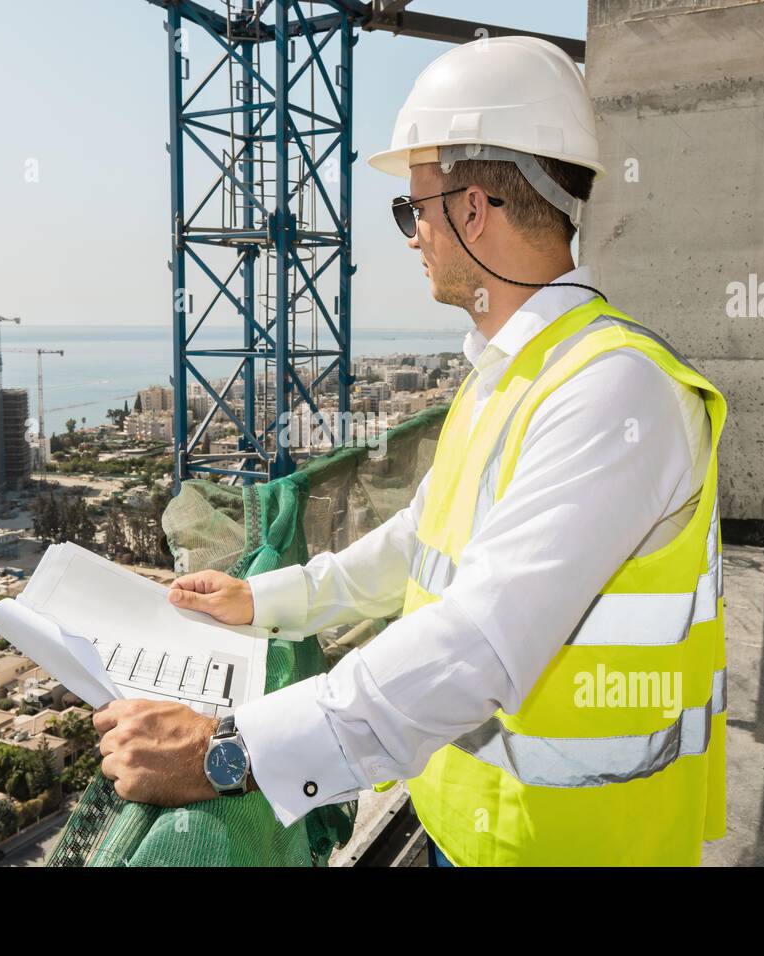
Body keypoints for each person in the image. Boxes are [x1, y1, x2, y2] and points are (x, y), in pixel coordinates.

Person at [94, 35, 728, 866]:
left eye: (414, 208)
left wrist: (231, 748)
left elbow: (477, 647)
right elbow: (417, 549)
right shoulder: (511, 376)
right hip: (470, 837)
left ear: (473, 210)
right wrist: (265, 600)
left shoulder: (613, 393)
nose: (411, 235)